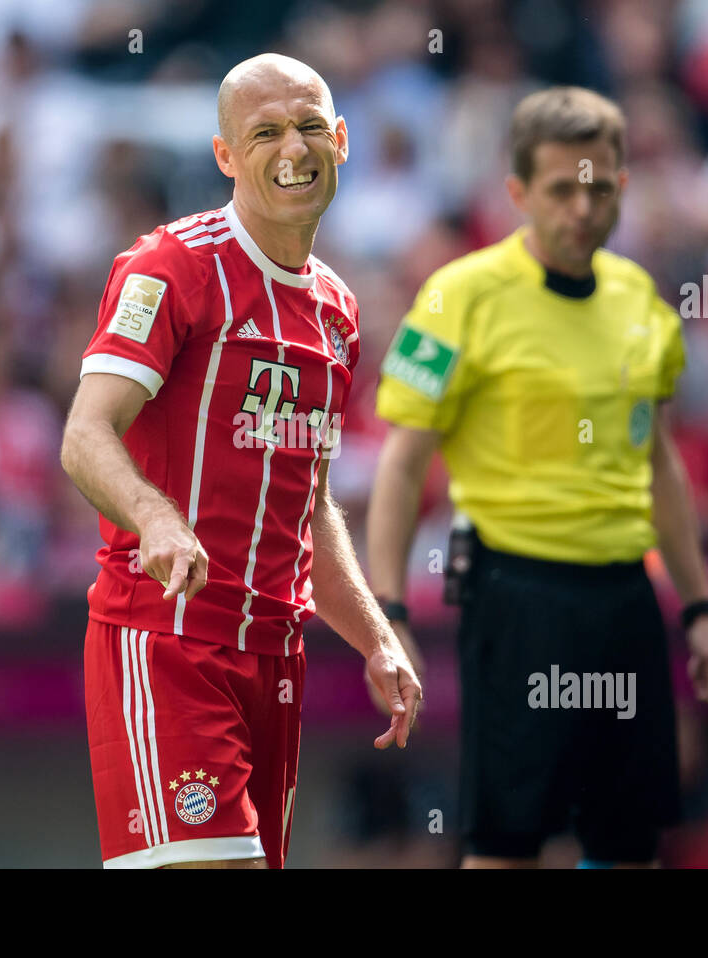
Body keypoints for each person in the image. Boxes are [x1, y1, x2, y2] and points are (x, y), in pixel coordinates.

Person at [60, 53, 422, 869]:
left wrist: (376, 639)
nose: (291, 148)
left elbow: (310, 506)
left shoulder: (336, 308)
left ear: (341, 140)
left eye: (307, 128)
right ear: (226, 155)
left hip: (275, 659)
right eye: (264, 133)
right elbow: (85, 434)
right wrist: (154, 516)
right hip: (167, 642)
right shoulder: (172, 266)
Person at [366, 86, 708, 868]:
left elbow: (660, 461)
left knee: (629, 842)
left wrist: (701, 606)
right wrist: (388, 611)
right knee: (507, 843)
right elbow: (403, 464)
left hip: (625, 599)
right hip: (515, 596)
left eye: (599, 186)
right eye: (561, 188)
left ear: (623, 186)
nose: (582, 206)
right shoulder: (458, 296)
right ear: (518, 193)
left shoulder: (642, 303)